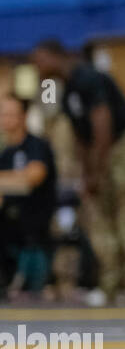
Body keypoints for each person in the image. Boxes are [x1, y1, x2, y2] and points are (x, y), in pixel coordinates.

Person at [30, 39, 125, 304]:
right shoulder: (67, 88)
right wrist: (88, 175)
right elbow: (81, 138)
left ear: (53, 56)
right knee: (103, 221)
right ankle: (113, 285)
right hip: (102, 157)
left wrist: (99, 170)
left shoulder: (87, 76)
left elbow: (102, 123)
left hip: (124, 150)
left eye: (38, 59)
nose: (36, 67)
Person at [0, 95, 57, 295]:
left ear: (23, 116)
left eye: (10, 114)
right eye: (3, 114)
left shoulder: (36, 145)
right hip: (8, 222)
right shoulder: (5, 153)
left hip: (34, 223)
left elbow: (35, 175)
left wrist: (10, 180)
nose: (5, 119)